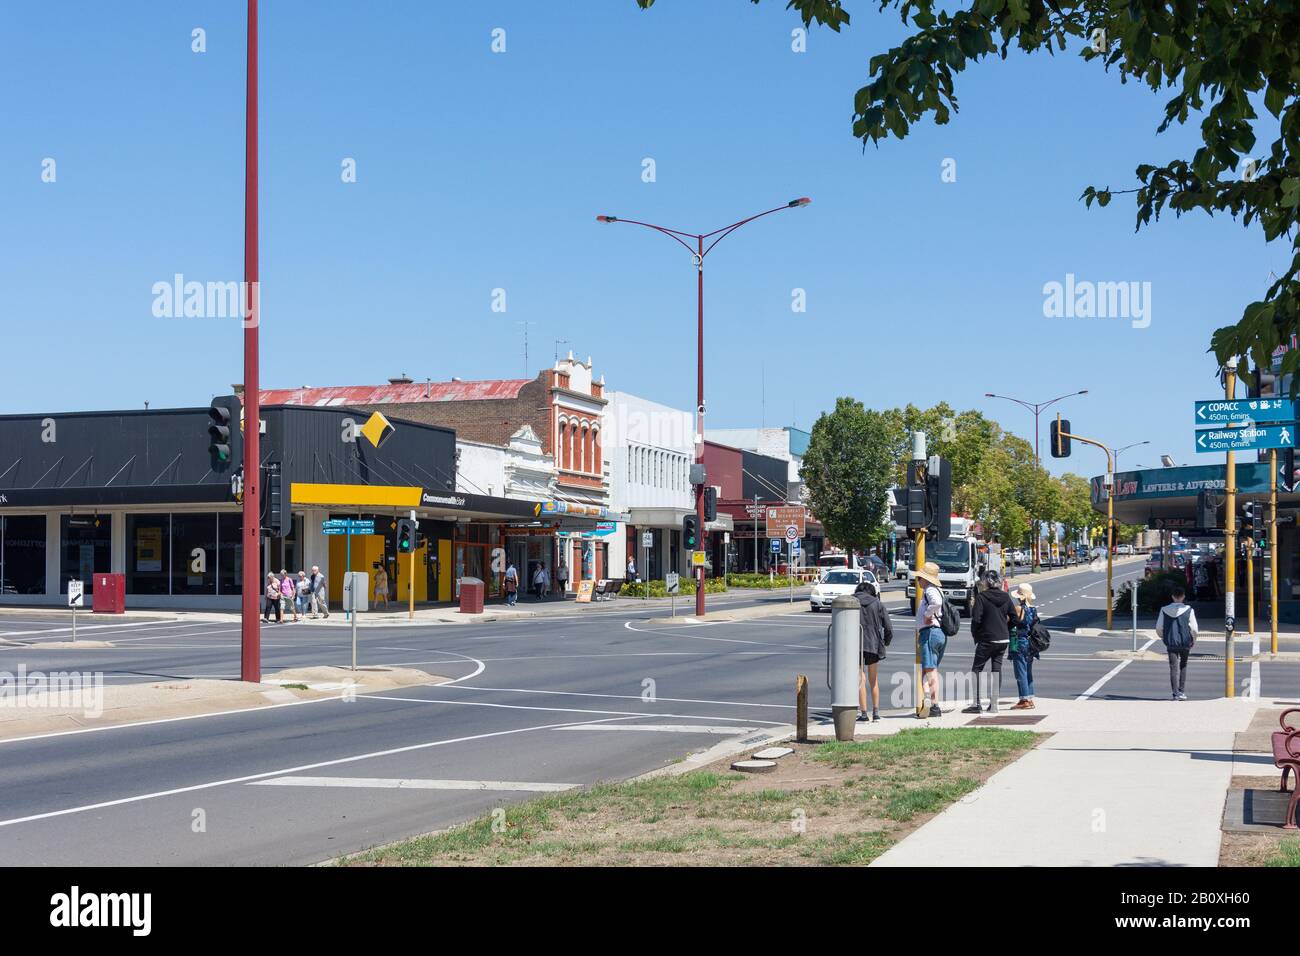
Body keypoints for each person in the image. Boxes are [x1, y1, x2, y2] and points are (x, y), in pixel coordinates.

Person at [964, 569, 1017, 713]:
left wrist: (976, 634)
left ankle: (976, 704)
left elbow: (976, 619)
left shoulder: (982, 597)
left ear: (986, 582)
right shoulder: (1006, 597)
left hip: (987, 638)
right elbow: (1015, 618)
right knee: (996, 670)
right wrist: (1006, 627)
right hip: (1002, 638)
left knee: (977, 669)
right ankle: (994, 704)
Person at [855, 577, 893, 722]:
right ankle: (876, 712)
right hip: (873, 643)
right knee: (873, 678)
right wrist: (886, 641)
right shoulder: (877, 604)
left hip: (855, 643)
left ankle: (864, 713)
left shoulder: (852, 601)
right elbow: (888, 627)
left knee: (860, 677)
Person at [914, 561, 946, 718]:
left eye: (920, 577)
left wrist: (926, 616)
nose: (918, 580)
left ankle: (933, 706)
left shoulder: (930, 590)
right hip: (936, 633)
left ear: (926, 579)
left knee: (930, 672)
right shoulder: (936, 590)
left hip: (930, 633)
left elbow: (936, 603)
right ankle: (928, 704)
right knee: (929, 671)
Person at [1155, 585, 1199, 700]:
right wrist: (1193, 639)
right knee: (1183, 666)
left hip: (1171, 642)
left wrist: (1164, 638)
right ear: (1183, 596)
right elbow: (1194, 628)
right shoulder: (1189, 610)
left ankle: (1175, 693)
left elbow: (1159, 628)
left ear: (1172, 596)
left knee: (1173, 668)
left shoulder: (1164, 609)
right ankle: (1182, 691)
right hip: (1185, 642)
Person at [1008, 583, 1040, 709]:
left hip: (1019, 641)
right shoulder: (1033, 609)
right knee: (1028, 671)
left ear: (1020, 596)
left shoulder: (1019, 608)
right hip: (1031, 642)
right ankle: (1030, 697)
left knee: (1020, 671)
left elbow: (1011, 623)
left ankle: (1024, 699)